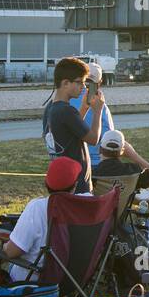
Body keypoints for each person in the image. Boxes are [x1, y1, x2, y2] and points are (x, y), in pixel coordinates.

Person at [0, 157, 85, 283]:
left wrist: (3, 250)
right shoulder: (86, 204)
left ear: (46, 183)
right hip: (74, 280)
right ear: (75, 185)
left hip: (36, 283)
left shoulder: (37, 208)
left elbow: (12, 251)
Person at [42, 57, 105, 194]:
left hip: (63, 183)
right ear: (65, 83)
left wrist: (84, 108)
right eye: (79, 82)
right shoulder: (67, 111)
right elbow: (93, 139)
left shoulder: (51, 108)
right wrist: (98, 111)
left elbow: (73, 129)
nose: (83, 87)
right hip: (77, 185)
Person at [69, 63, 115, 173]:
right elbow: (109, 135)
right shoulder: (101, 106)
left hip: (73, 160)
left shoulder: (68, 99)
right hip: (96, 162)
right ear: (99, 83)